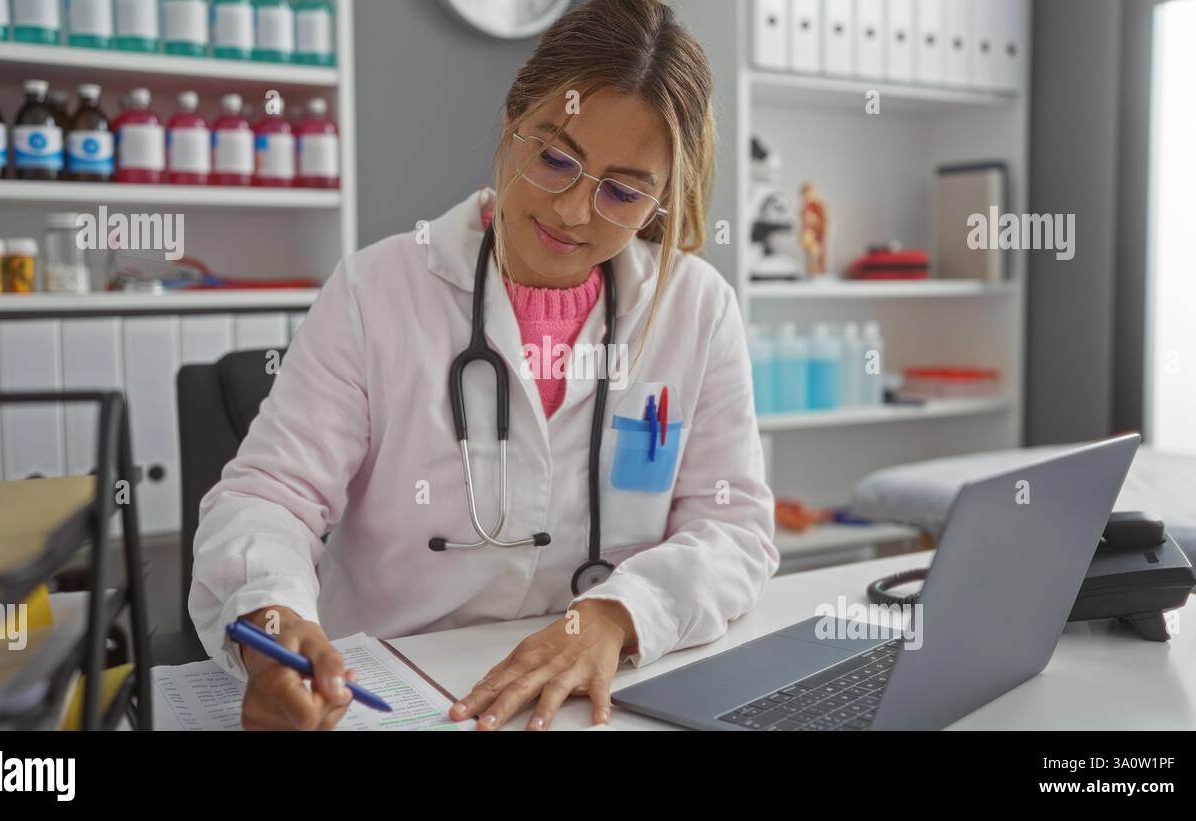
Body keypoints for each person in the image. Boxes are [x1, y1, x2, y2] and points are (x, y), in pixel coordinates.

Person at [190, 0, 776, 731]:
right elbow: (268, 497)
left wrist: (619, 613)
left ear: (663, 198)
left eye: (624, 192)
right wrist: (273, 632)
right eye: (556, 158)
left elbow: (735, 528)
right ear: (512, 119)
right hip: (393, 695)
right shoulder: (378, 290)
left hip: (598, 699)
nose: (572, 211)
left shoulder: (696, 307)